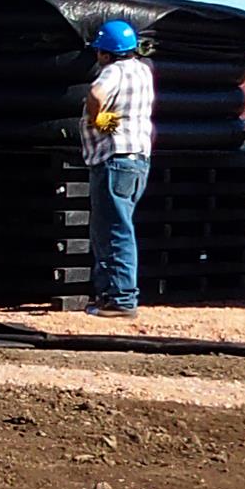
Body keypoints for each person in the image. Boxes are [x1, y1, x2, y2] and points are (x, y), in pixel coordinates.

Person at [79, 18, 154, 316]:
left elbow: (96, 94)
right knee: (115, 227)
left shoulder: (114, 71)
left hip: (114, 159)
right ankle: (109, 296)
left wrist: (99, 119)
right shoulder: (143, 71)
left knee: (113, 230)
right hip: (138, 161)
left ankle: (121, 300)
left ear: (106, 53)